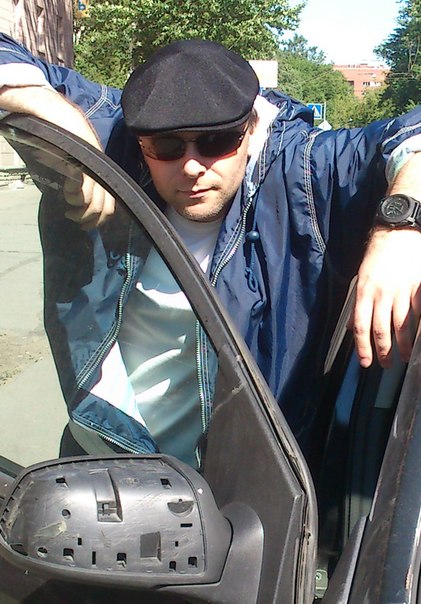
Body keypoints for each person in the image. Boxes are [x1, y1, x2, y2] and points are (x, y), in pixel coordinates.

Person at [0, 33, 420, 468]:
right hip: (106, 455)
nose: (191, 166)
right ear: (142, 141)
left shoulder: (304, 176)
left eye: (217, 141)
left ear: (251, 126)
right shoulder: (116, 139)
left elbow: (409, 134)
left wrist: (402, 226)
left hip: (244, 485)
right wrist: (53, 115)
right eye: (166, 146)